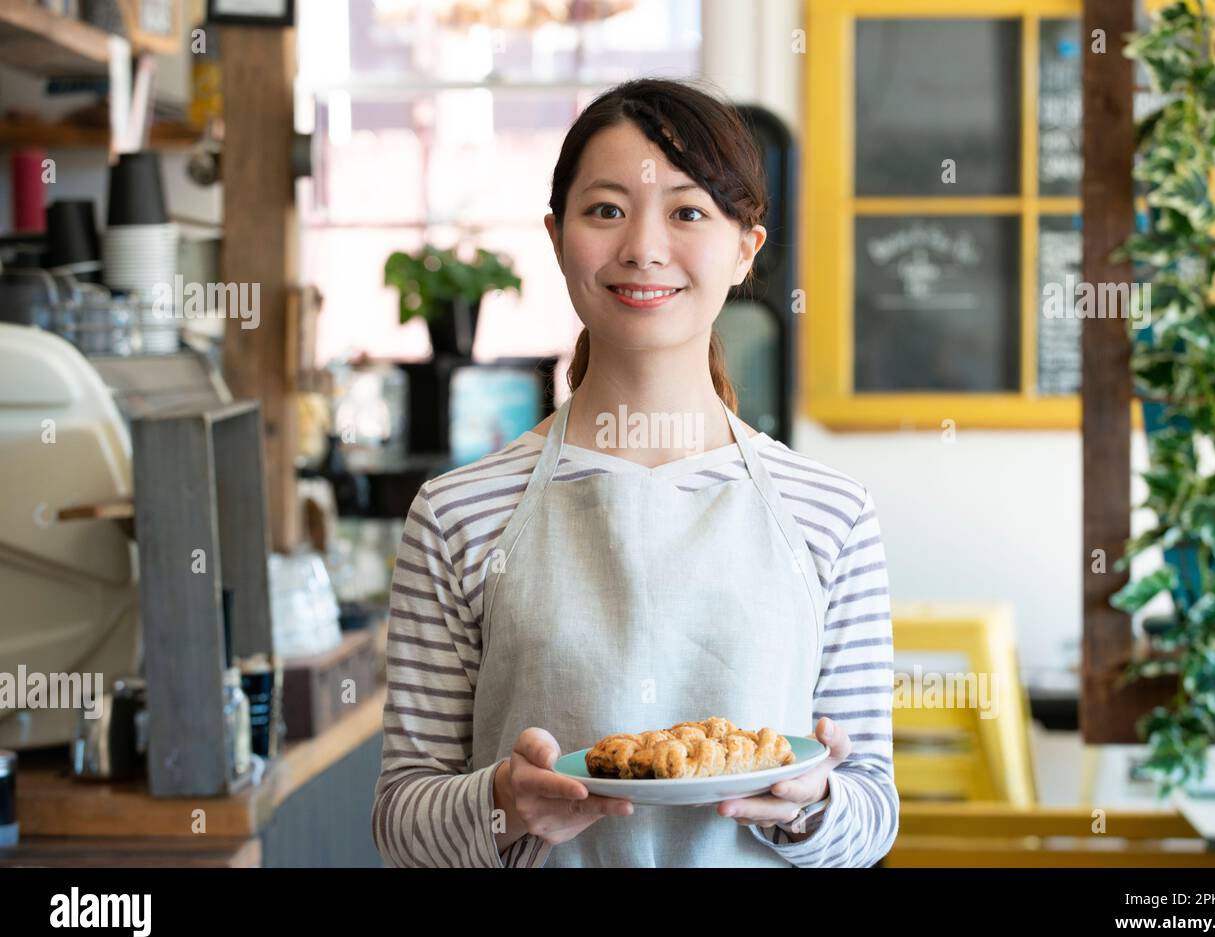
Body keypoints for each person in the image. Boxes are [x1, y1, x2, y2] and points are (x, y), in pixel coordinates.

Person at [372, 77, 898, 867]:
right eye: (606, 210)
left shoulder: (832, 513)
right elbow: (401, 821)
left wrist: (811, 805)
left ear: (746, 248)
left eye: (688, 212)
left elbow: (873, 813)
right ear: (556, 238)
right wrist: (502, 807)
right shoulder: (456, 513)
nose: (643, 249)